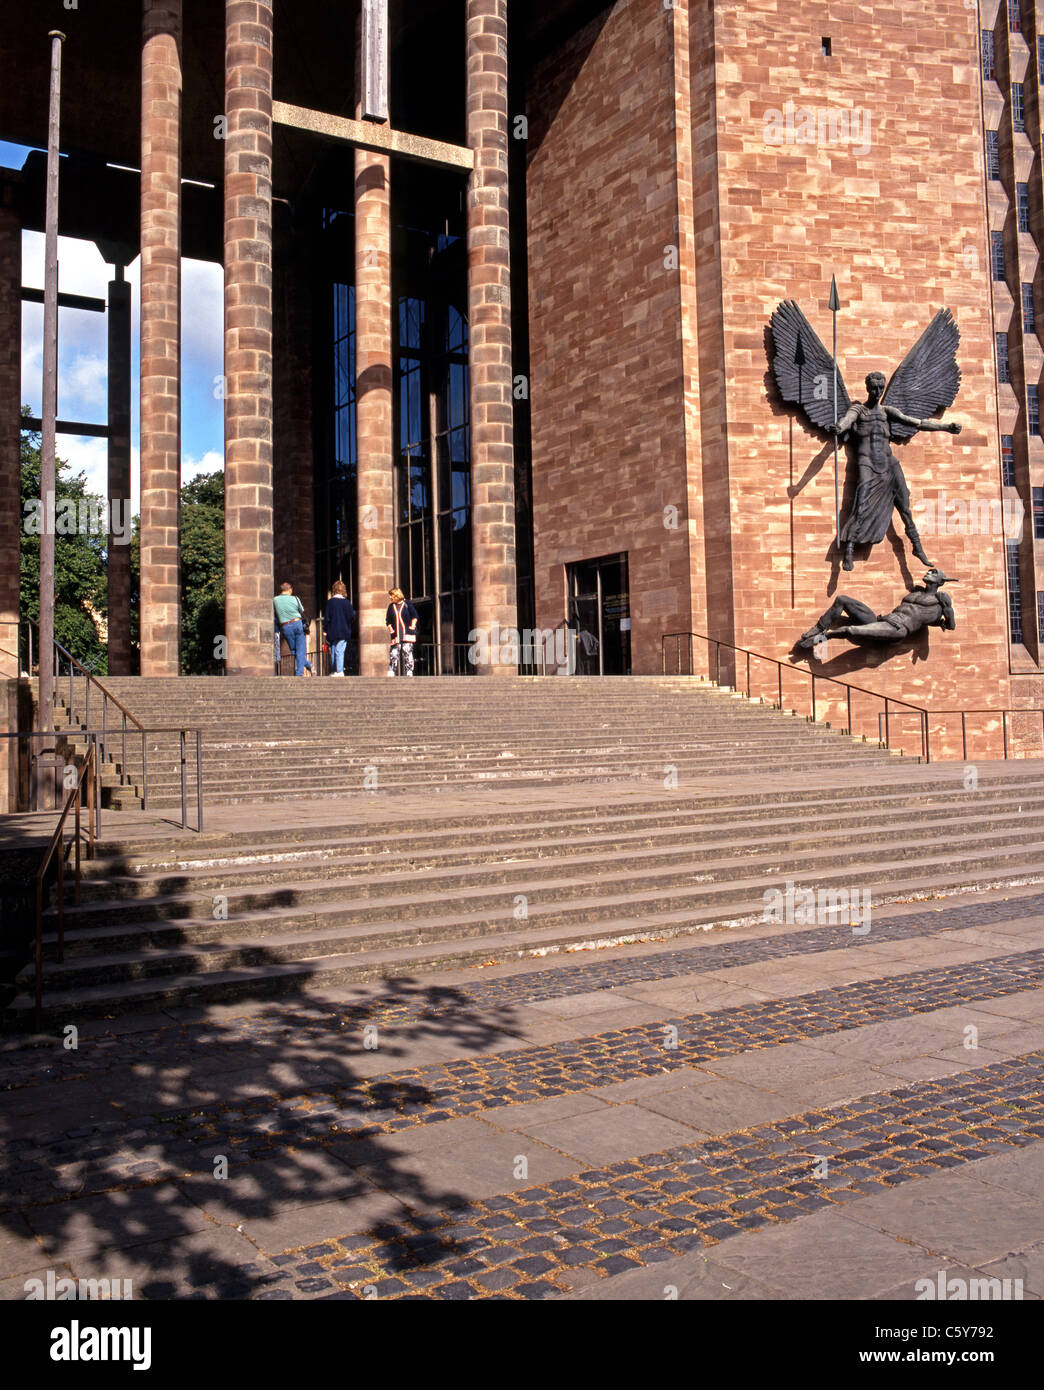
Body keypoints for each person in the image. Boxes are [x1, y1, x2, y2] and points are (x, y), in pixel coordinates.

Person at [829, 371, 961, 571]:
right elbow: (847, 419)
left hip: (890, 464)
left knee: (905, 507)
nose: (878, 392)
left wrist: (945, 427)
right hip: (867, 462)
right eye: (874, 388)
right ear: (867, 388)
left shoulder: (887, 412)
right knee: (861, 503)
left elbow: (917, 423)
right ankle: (849, 548)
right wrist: (839, 428)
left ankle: (917, 547)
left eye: (881, 388)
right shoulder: (859, 410)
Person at [797, 568, 957, 651]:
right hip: (883, 620)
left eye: (933, 573)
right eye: (930, 571)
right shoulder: (916, 592)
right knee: (842, 600)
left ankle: (822, 638)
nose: (929, 572)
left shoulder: (940, 599)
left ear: (940, 582)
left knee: (850, 630)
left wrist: (942, 621)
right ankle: (818, 628)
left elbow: (950, 625)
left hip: (898, 629)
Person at [273, 582, 313, 676]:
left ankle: (305, 667)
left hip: (285, 626)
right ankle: (302, 670)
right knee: (300, 650)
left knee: (293, 650)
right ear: (290, 589)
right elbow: (301, 610)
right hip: (297, 624)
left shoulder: (275, 600)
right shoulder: (295, 598)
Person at [385, 587, 419, 676]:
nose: (390, 597)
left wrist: (412, 626)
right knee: (394, 653)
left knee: (407, 651)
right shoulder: (391, 606)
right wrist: (391, 631)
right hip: (396, 635)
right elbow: (388, 621)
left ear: (396, 595)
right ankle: (392, 670)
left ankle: (409, 670)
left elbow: (414, 616)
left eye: (391, 595)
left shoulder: (407, 603)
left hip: (407, 633)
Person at [325, 581, 356, 676]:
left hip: (332, 630)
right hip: (344, 630)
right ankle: (339, 670)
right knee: (340, 650)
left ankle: (334, 670)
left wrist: (325, 629)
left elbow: (327, 618)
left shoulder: (330, 602)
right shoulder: (346, 603)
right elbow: (351, 616)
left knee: (334, 650)